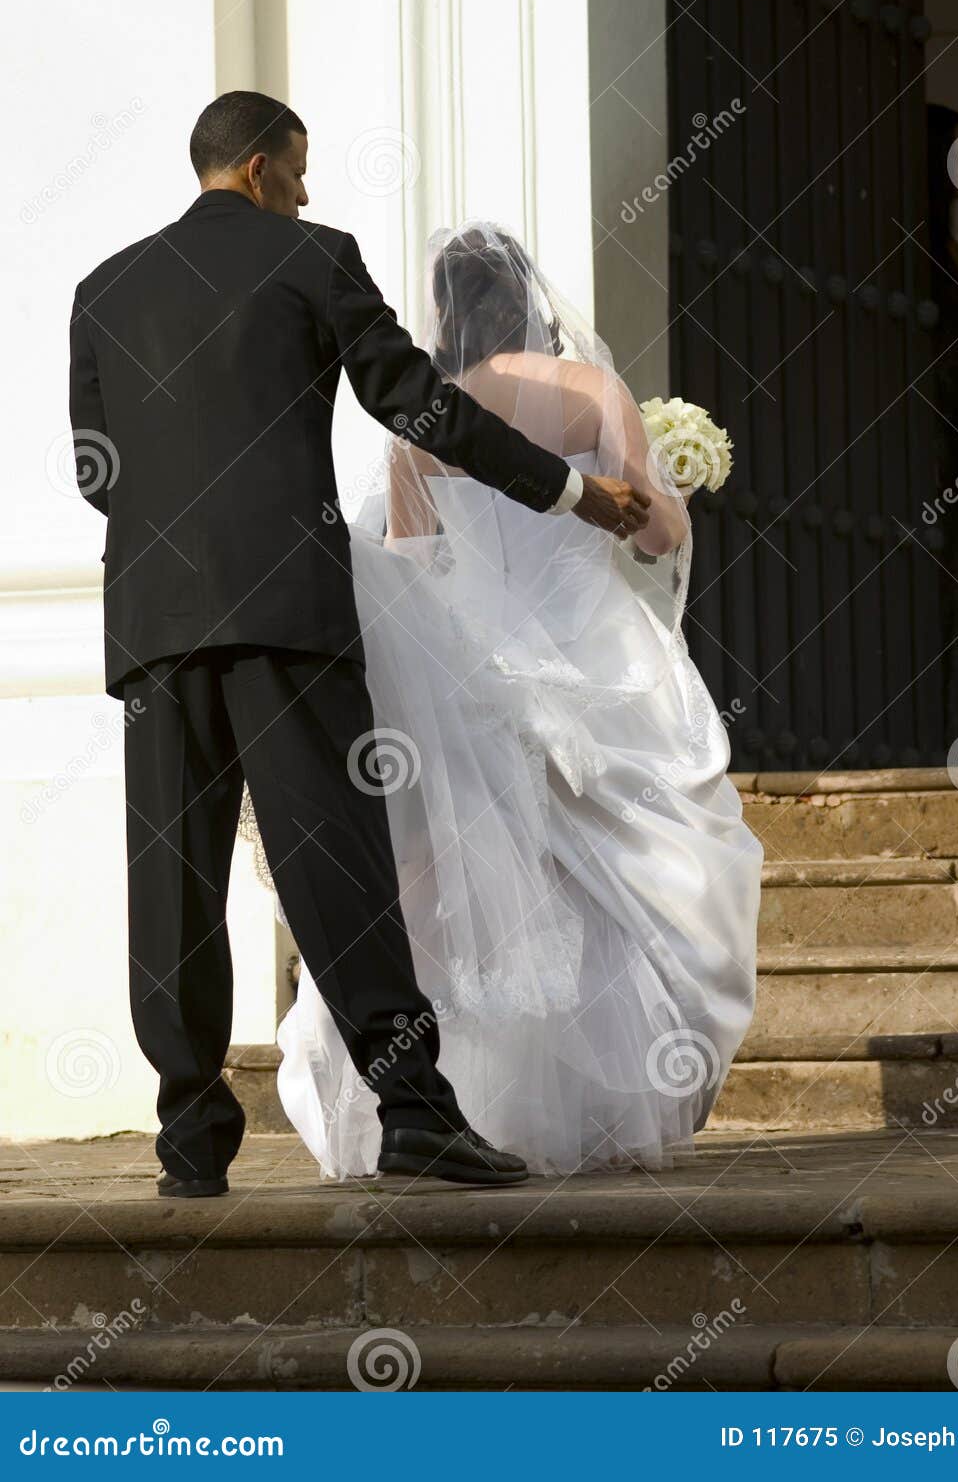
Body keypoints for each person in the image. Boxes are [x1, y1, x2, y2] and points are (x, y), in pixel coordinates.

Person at [68, 92, 651, 1198]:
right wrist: (569, 490)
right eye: (296, 169)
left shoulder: (104, 287)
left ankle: (191, 1145)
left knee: (172, 884)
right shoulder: (310, 259)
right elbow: (417, 407)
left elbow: (98, 468)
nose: (306, 190)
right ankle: (417, 1116)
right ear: (252, 169)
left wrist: (177, 554)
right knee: (334, 865)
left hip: (153, 623)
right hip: (285, 610)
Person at [258, 221, 763, 1176]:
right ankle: (606, 1110)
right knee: (615, 886)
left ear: (443, 308)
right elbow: (652, 537)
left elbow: (413, 569)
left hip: (471, 672)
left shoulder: (428, 421)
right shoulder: (588, 393)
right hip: (598, 662)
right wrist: (673, 478)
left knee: (475, 895)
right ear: (531, 296)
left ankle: (474, 1107)